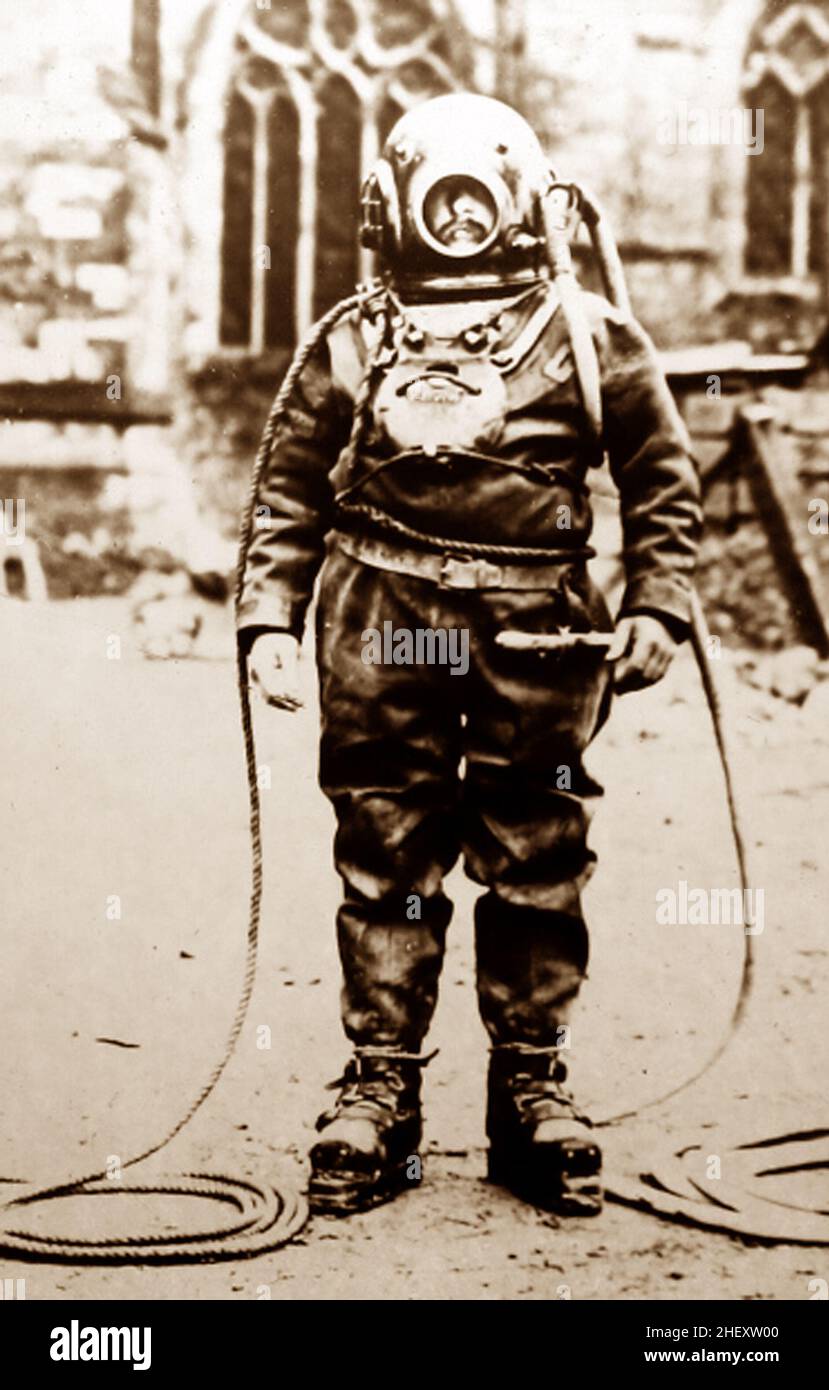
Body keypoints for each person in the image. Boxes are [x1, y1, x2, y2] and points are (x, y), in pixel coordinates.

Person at [237, 93, 702, 1217]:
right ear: (389, 205)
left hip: (536, 632)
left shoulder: (589, 335)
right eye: (432, 196)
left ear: (526, 200)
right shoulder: (351, 335)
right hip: (379, 619)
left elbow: (660, 479)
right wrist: (267, 618)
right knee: (385, 847)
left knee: (537, 848)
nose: (457, 217)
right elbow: (288, 491)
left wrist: (660, 603)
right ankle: (381, 1094)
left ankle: (530, 1089)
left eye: (476, 195)